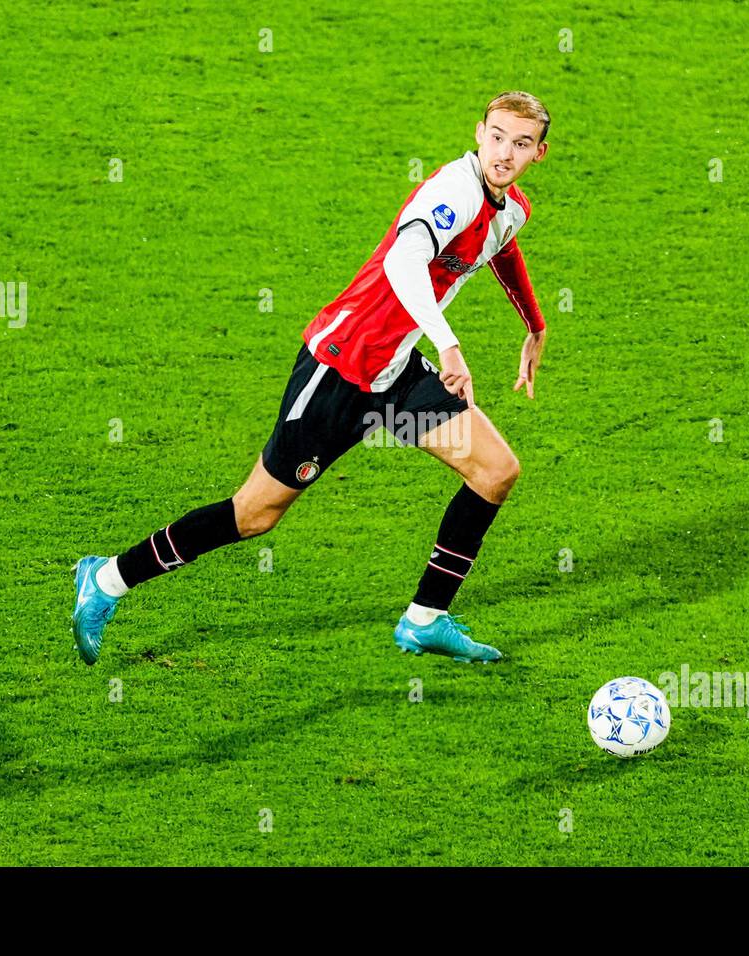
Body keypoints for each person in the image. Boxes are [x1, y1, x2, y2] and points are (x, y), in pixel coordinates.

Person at [72, 90, 552, 665]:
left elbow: (498, 245)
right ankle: (107, 581)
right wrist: (449, 345)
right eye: (497, 136)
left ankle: (425, 620)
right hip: (339, 369)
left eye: (520, 144)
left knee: (495, 470)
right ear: (478, 133)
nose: (504, 152)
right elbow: (404, 260)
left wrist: (534, 323)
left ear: (538, 154)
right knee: (254, 514)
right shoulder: (452, 189)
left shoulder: (511, 206)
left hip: (394, 378)